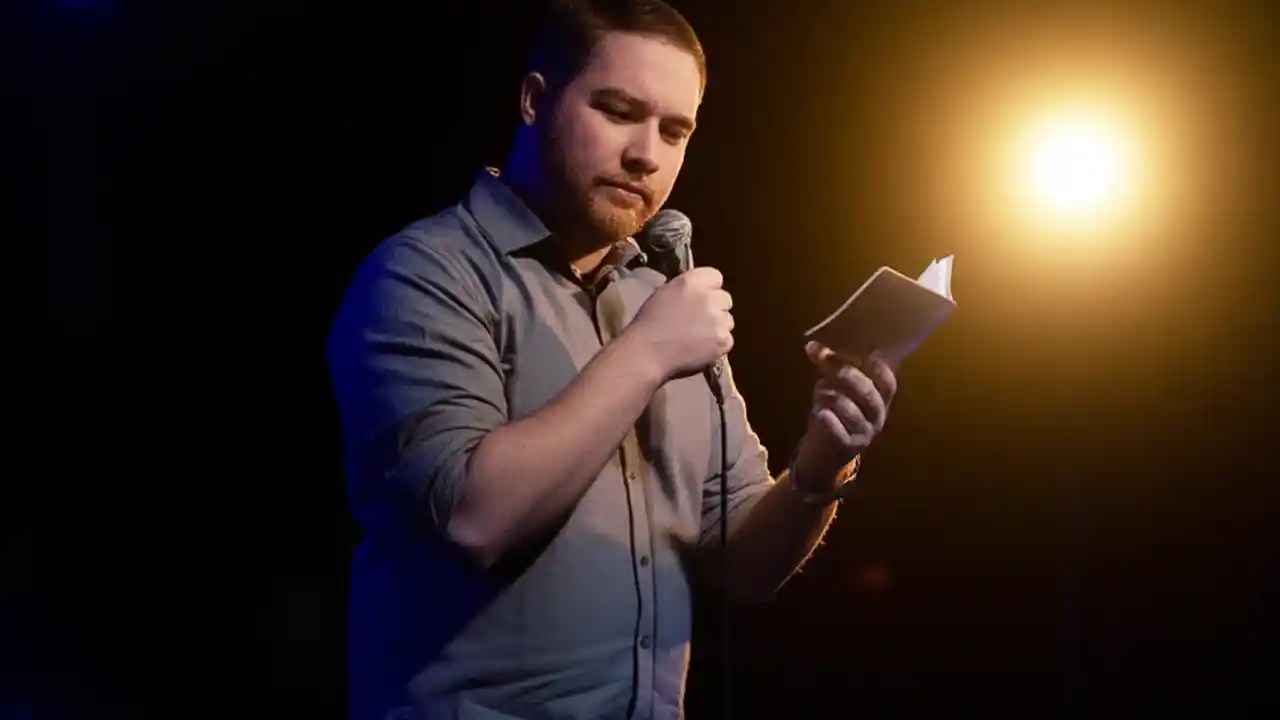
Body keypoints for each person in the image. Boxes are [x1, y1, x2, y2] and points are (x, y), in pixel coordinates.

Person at [325, 1, 898, 718]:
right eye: (619, 111)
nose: (647, 155)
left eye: (674, 130)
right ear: (536, 99)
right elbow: (476, 519)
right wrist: (651, 349)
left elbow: (743, 565)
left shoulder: (661, 298)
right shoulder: (427, 275)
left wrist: (820, 467)